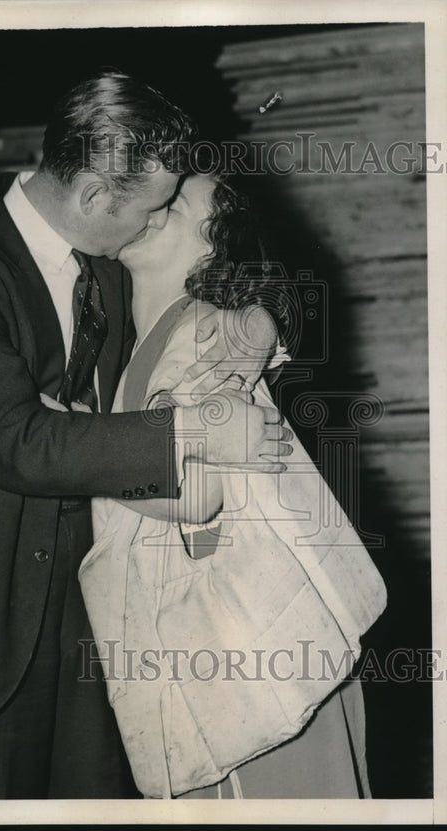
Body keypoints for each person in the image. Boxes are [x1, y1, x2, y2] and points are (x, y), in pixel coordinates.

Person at [0, 71, 293, 799]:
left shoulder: (108, 273)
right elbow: (10, 439)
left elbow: (198, 330)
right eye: (152, 207)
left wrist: (256, 327)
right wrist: (195, 431)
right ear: (94, 198)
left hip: (96, 632)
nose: (156, 221)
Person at [78, 172, 387, 799]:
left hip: (248, 663)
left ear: (217, 242)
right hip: (236, 660)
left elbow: (198, 494)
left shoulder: (209, 328)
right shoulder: (147, 341)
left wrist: (72, 448)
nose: (156, 205)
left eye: (176, 200)